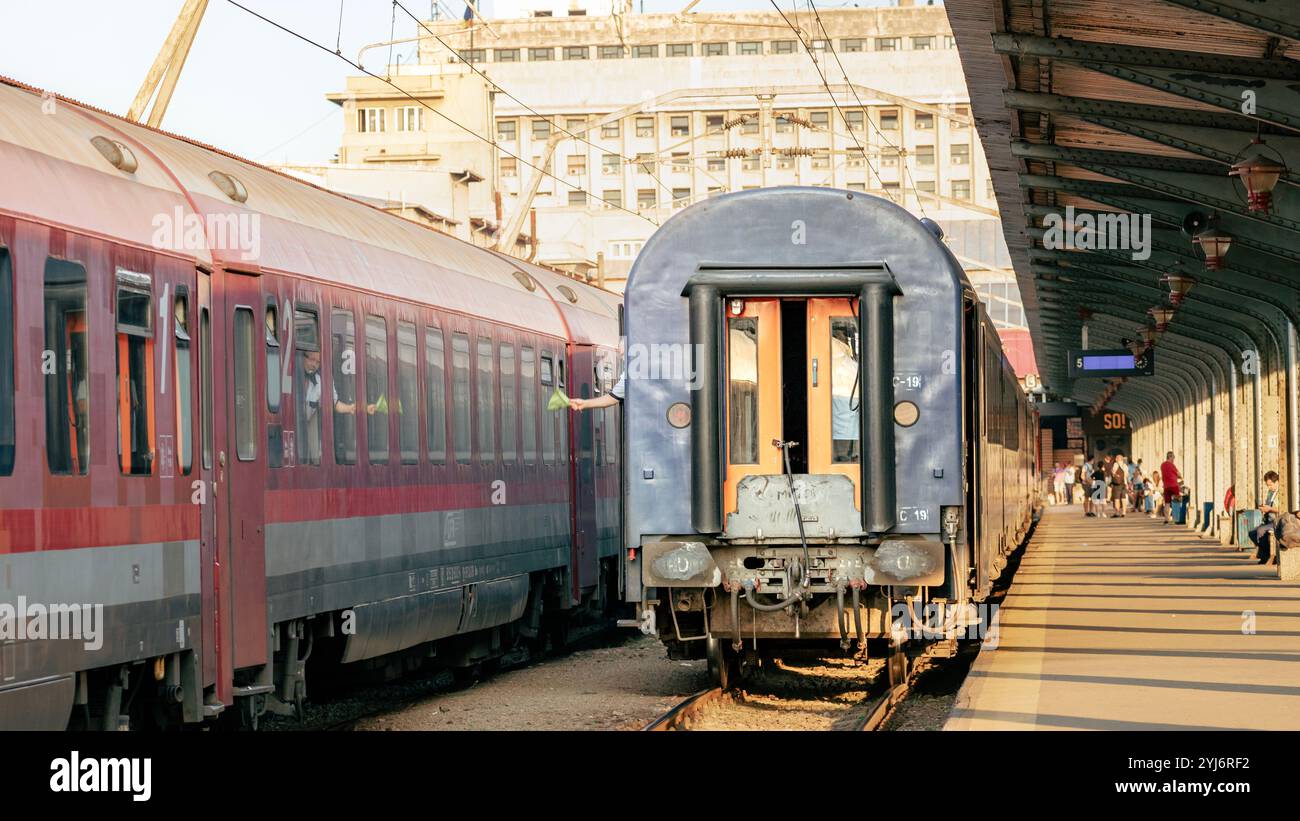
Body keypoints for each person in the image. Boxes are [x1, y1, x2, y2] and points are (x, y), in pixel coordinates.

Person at [1250, 471, 1283, 564]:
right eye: (1267, 485)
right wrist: (1264, 508)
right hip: (1269, 520)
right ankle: (1265, 554)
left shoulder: (1281, 492)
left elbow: (1282, 508)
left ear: (1277, 482)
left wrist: (1270, 509)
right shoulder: (1271, 493)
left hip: (1277, 521)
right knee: (1252, 533)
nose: (1269, 487)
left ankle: (1268, 555)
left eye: (1271, 485)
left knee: (1260, 531)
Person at [1160, 452, 1183, 525]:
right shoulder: (1172, 465)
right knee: (1177, 501)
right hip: (1173, 485)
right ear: (1170, 457)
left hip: (1166, 486)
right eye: (1173, 457)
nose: (1174, 459)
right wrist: (1180, 477)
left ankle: (1166, 520)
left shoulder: (1162, 465)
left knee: (1167, 503)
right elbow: (1179, 474)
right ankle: (1176, 518)